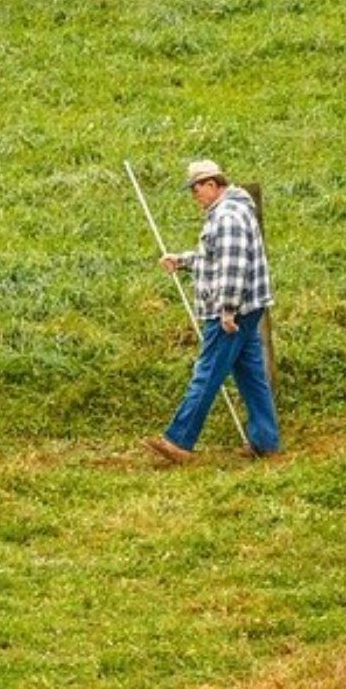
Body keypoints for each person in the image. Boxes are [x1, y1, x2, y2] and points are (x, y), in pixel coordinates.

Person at [144, 159, 281, 463]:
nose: (194, 196)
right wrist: (181, 261)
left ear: (211, 184)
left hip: (233, 309)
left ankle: (179, 441)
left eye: (196, 189)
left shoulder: (227, 216)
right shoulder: (229, 211)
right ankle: (266, 441)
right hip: (248, 306)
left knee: (207, 373)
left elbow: (233, 268)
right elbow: (214, 258)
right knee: (250, 374)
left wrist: (227, 310)